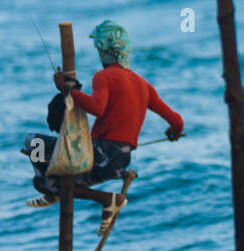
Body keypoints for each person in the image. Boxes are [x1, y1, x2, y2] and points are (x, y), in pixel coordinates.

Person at [23, 20, 182, 234]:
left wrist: (68, 90)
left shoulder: (103, 76)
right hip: (119, 160)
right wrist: (173, 133)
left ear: (105, 50)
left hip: (99, 154)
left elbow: (97, 108)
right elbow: (177, 121)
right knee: (68, 183)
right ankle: (59, 190)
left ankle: (62, 190)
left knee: (34, 142)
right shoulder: (144, 85)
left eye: (99, 48)